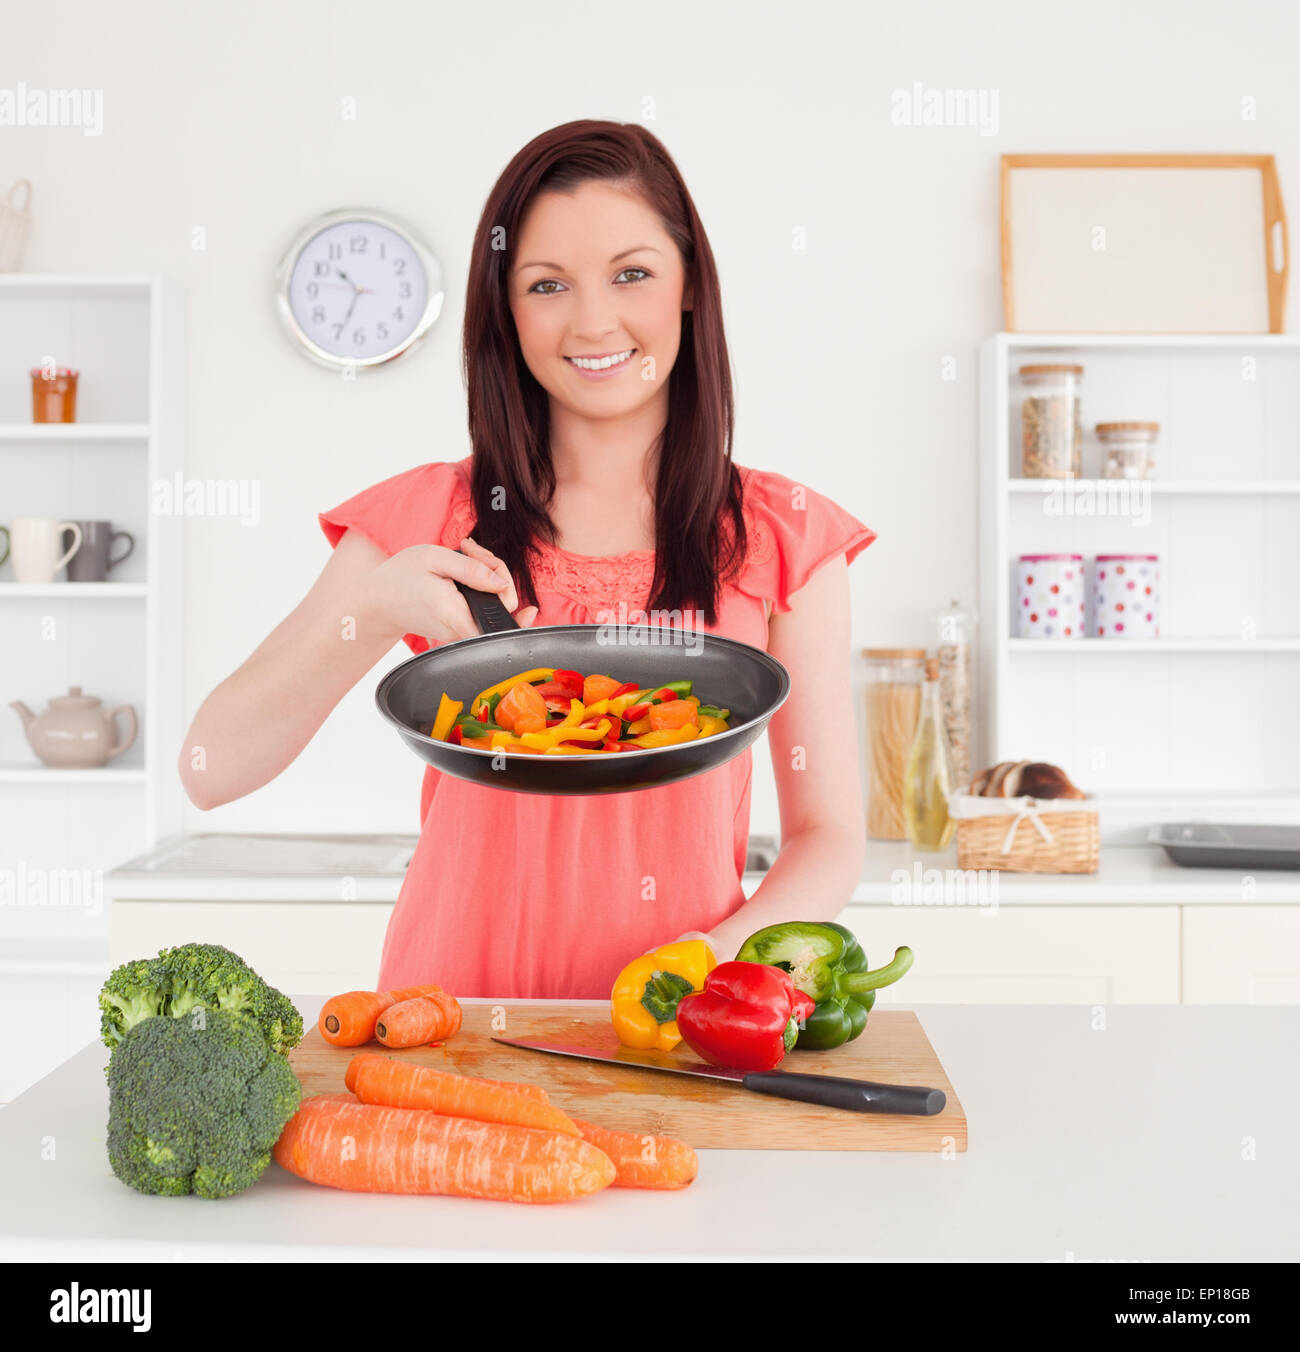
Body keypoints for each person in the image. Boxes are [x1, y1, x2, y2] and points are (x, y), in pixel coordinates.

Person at [180, 119, 875, 999]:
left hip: (673, 1028)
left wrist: (712, 959)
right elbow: (210, 769)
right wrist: (377, 609)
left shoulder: (782, 535)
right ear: (505, 310)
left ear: (689, 284)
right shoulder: (431, 514)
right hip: (444, 1024)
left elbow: (829, 838)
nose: (593, 321)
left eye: (632, 273)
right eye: (547, 285)